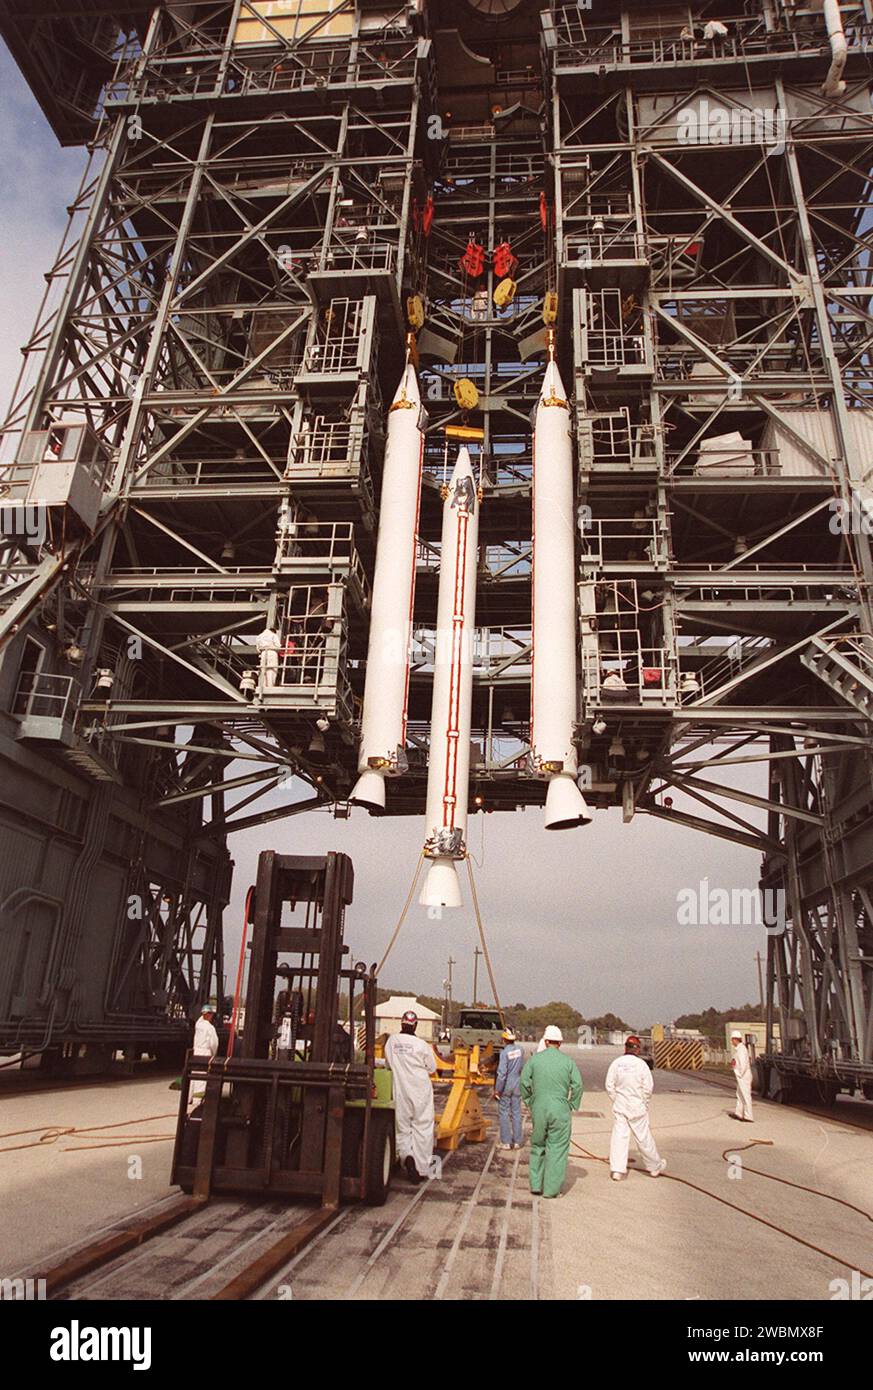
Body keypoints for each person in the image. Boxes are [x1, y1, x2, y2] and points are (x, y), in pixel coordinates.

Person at [519, 1025, 583, 1198]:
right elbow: (578, 1085)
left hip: (539, 1107)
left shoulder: (535, 1060)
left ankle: (536, 1185)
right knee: (557, 1148)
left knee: (538, 1145)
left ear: (546, 1042)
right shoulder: (568, 1062)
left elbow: (524, 1082)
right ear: (560, 1043)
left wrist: (530, 1101)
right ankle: (552, 1190)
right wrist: (572, 1104)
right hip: (560, 1109)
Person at [384, 1010, 437, 1183]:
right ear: (415, 1025)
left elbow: (388, 1063)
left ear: (401, 1024)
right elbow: (432, 1068)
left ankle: (407, 1157)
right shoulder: (421, 1045)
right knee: (423, 1127)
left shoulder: (392, 1041)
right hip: (420, 1090)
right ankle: (421, 1168)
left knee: (403, 1127)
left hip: (401, 1090)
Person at [605, 1036, 666, 1181]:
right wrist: (644, 1102)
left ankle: (617, 1171)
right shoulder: (641, 1065)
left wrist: (617, 1099)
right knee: (643, 1138)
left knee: (619, 1137)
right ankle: (654, 1167)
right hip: (637, 1106)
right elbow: (648, 1088)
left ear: (625, 1047)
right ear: (637, 1049)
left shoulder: (616, 1063)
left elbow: (609, 1085)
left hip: (621, 1106)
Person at [494, 1028, 525, 1150]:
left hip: (506, 1086)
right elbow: (521, 1067)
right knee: (517, 1113)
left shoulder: (504, 1053)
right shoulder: (521, 1050)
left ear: (504, 1039)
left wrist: (497, 1089)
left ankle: (506, 1142)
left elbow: (502, 1074)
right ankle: (517, 1141)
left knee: (504, 1113)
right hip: (517, 1084)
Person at [190, 1003, 219, 1106]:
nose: (212, 1017)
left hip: (196, 1052)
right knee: (201, 1078)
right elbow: (214, 1043)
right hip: (205, 1053)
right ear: (208, 1014)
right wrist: (213, 1053)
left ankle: (190, 1097)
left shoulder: (198, 1025)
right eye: (211, 1014)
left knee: (193, 1075)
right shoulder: (210, 1028)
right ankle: (197, 1101)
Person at [730, 1030, 754, 1122]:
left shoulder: (741, 1050)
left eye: (732, 1040)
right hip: (741, 1076)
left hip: (743, 1076)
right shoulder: (739, 1049)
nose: (732, 1042)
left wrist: (740, 1074)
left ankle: (749, 1116)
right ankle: (738, 1113)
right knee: (739, 1094)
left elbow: (743, 1064)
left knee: (745, 1095)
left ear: (736, 1039)